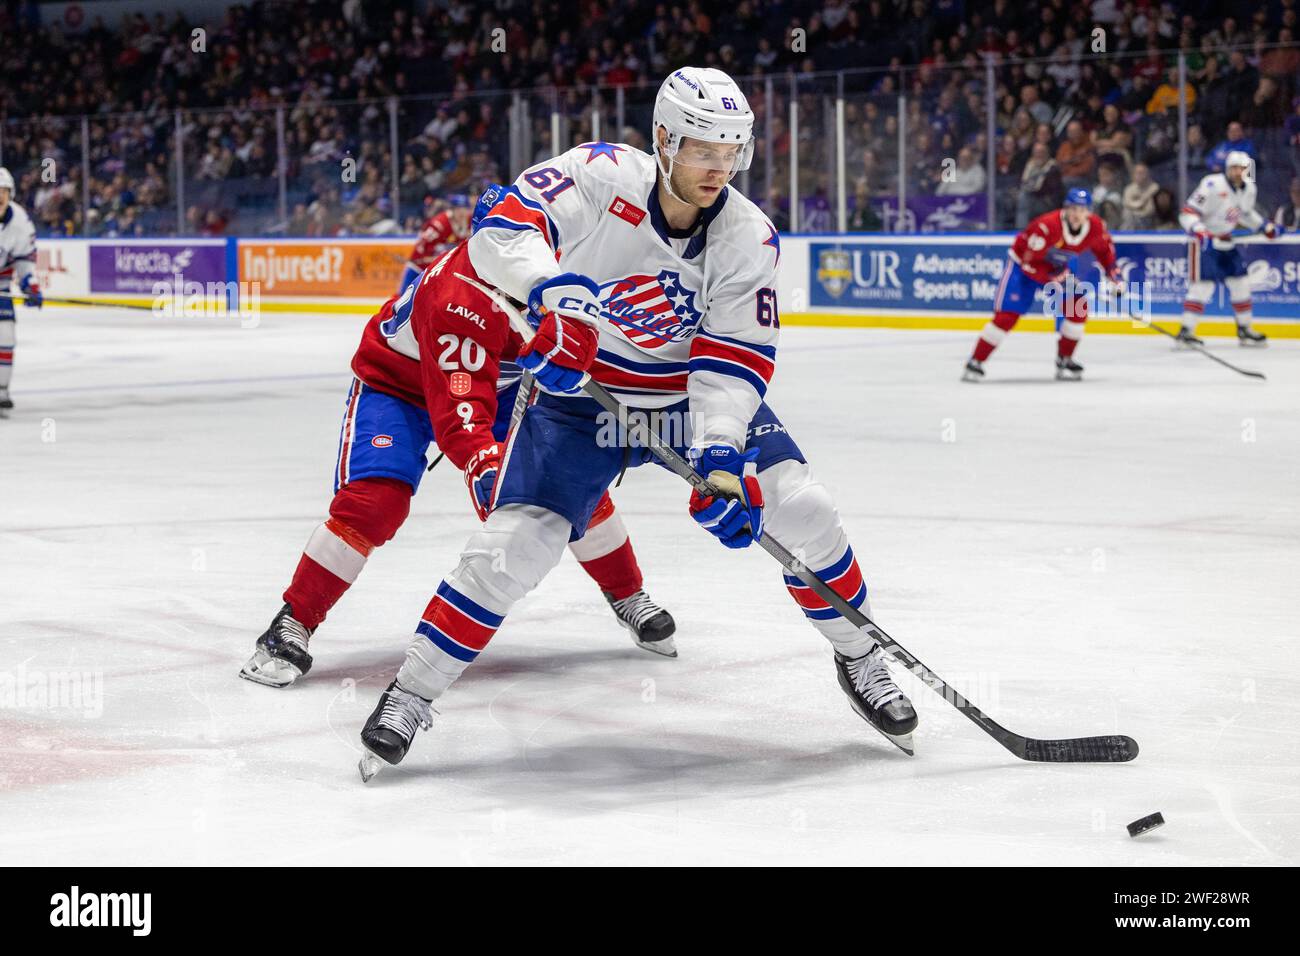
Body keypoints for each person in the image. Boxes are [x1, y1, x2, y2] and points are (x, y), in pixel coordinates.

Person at [356, 67, 919, 778]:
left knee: (803, 508)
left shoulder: (749, 236)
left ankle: (861, 658)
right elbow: (502, 227)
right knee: (514, 546)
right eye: (702, 149)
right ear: (663, 139)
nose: (719, 168)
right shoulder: (597, 176)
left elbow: (733, 358)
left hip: (686, 401)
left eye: (732, 151)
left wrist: (719, 458)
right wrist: (552, 294)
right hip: (579, 404)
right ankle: (413, 691)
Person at [240, 194, 678, 688]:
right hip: (398, 386)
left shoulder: (562, 265)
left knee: (566, 480)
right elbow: (461, 410)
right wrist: (483, 464)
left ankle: (627, 594)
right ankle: (293, 620)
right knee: (373, 503)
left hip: (498, 384)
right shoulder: (459, 298)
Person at [963, 188, 1119, 382]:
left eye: (1082, 209)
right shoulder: (1047, 226)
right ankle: (975, 361)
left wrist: (1115, 277)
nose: (1077, 214)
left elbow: (1106, 253)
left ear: (1089, 211)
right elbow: (1030, 261)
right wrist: (1054, 277)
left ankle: (1065, 360)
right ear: (1066, 208)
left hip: (1056, 269)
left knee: (1078, 308)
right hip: (1022, 267)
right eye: (1073, 209)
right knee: (1006, 316)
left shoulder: (1095, 227)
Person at [1177, 152, 1282, 347]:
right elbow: (1187, 213)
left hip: (1227, 242)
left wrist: (1265, 227)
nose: (1237, 172)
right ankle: (1186, 331)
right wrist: (1199, 230)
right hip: (1205, 244)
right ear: (1227, 168)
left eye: (1241, 168)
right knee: (1202, 287)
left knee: (1241, 283)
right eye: (1234, 168)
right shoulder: (1212, 184)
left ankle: (1245, 329)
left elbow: (1245, 214)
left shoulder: (1249, 188)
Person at [0, 167, 42, 412]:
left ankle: (1, 391)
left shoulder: (20, 221)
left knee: (5, 337)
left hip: (2, 286)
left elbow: (25, 261)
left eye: (3, 191)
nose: (0, 196)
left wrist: (30, 285)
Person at [398, 195, 471, 294]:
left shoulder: (470, 221)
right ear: (452, 210)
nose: (462, 212)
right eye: (458, 209)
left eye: (465, 209)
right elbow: (421, 248)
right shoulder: (439, 224)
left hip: (440, 270)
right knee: (403, 299)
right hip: (420, 268)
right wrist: (432, 259)